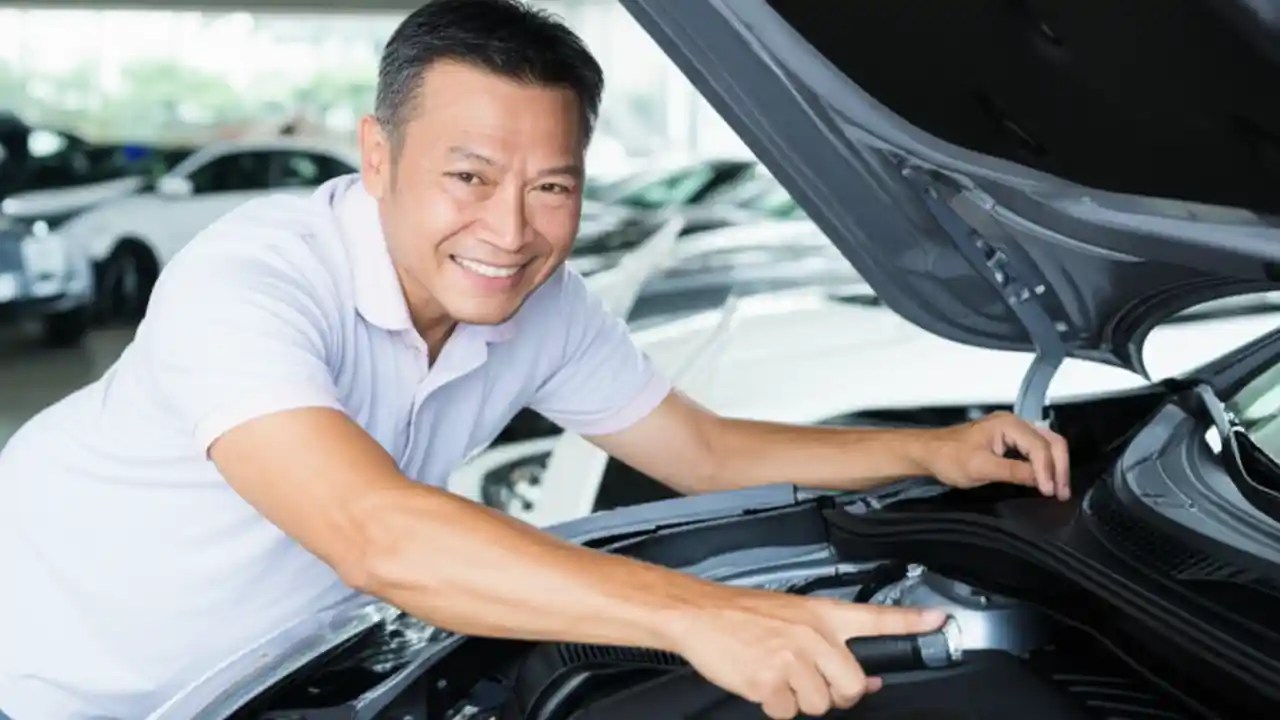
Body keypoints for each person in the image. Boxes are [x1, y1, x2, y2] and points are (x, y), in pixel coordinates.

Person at [0, 2, 1071, 718]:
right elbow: (377, 536)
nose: (509, 231)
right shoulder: (251, 277)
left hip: (272, 679)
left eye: (550, 186)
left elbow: (698, 448)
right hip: (60, 678)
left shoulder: (538, 303)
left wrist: (933, 450)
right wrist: (704, 619)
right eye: (467, 177)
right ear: (377, 156)